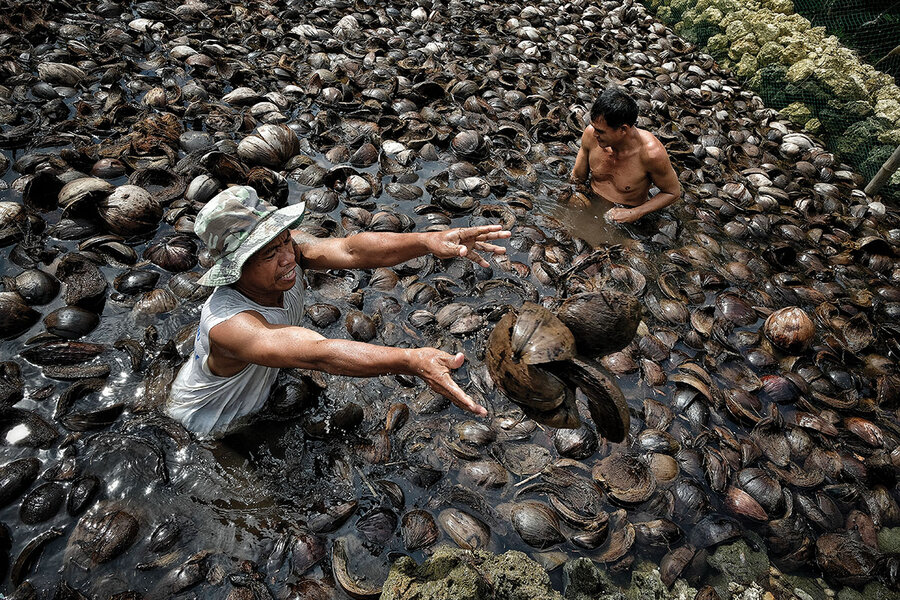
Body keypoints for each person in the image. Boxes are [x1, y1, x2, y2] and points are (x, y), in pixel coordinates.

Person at [167, 186, 511, 438]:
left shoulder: (289, 254)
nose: (288, 257)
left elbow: (352, 249)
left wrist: (428, 240)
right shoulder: (229, 325)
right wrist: (410, 360)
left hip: (260, 393)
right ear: (237, 268)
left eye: (285, 241)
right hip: (205, 426)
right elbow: (320, 354)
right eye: (269, 254)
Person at [569, 87, 681, 224]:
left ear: (623, 129)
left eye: (601, 131)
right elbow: (577, 178)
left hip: (627, 217)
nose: (595, 134)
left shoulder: (651, 154)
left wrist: (635, 213)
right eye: (594, 127)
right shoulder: (591, 135)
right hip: (590, 199)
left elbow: (673, 193)